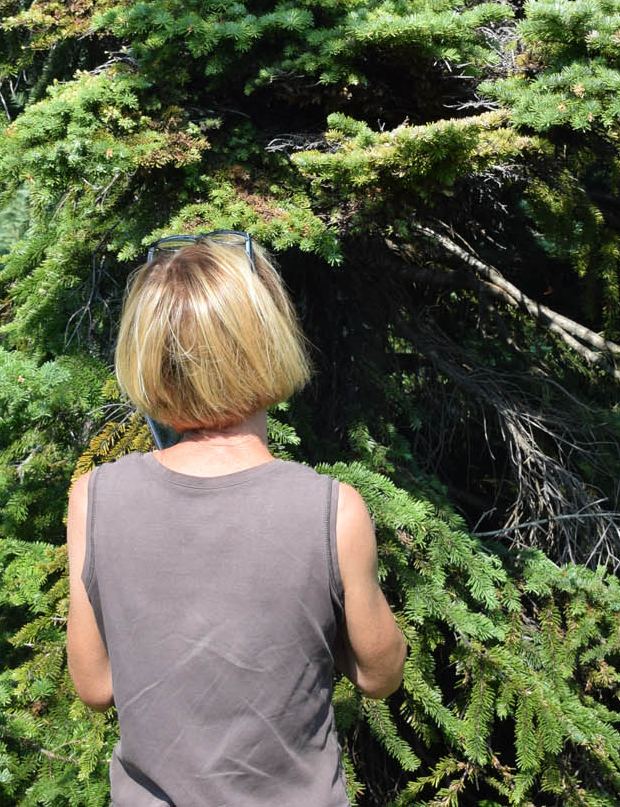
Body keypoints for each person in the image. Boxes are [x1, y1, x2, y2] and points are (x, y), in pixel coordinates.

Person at [66, 231, 407, 807]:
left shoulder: (94, 498)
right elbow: (380, 675)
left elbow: (96, 686)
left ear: (147, 356)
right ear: (267, 344)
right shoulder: (332, 509)